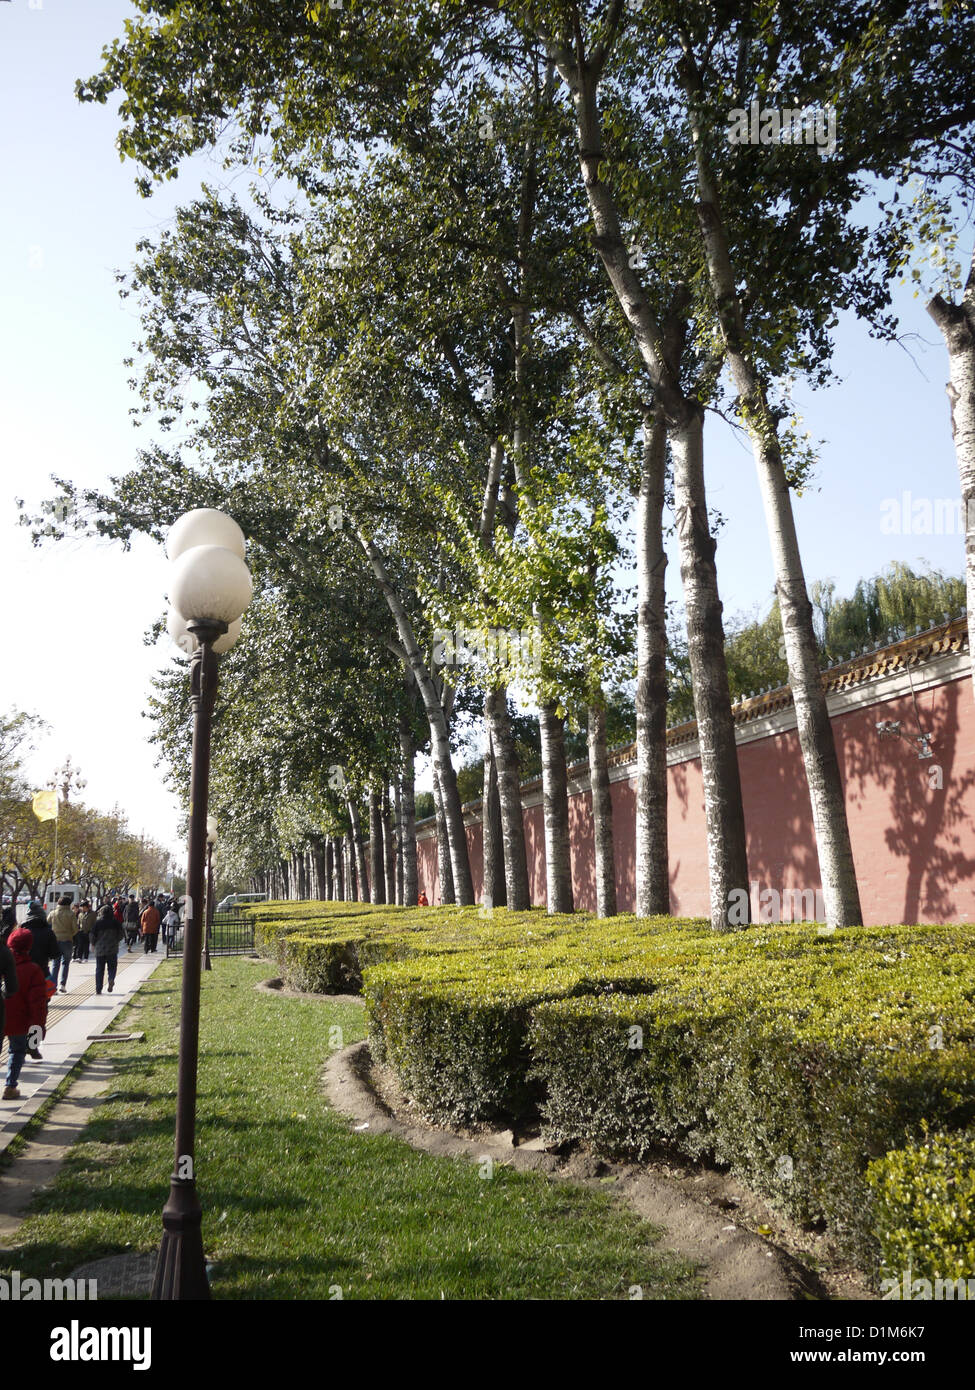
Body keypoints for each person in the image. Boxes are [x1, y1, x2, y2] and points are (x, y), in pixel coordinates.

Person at [2, 928, 49, 1101]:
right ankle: (10, 1085)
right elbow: (38, 1006)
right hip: (20, 1021)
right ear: (29, 946)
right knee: (16, 1050)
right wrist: (37, 1034)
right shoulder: (33, 970)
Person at [90, 904, 125, 995]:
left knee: (99, 969)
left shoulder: (98, 923)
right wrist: (116, 940)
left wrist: (93, 944)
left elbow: (92, 936)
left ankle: (98, 988)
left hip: (100, 949)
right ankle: (111, 979)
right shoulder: (116, 922)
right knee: (112, 967)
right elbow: (121, 935)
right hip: (112, 948)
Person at [48, 895, 78, 994]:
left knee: (55, 964)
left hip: (54, 941)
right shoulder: (71, 914)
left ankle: (53, 987)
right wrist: (69, 934)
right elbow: (75, 929)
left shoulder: (52, 913)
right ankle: (63, 985)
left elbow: (47, 924)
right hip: (67, 941)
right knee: (65, 963)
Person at [23, 902, 58, 982]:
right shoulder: (48, 932)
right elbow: (55, 954)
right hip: (42, 972)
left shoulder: (21, 931)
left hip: (24, 974)